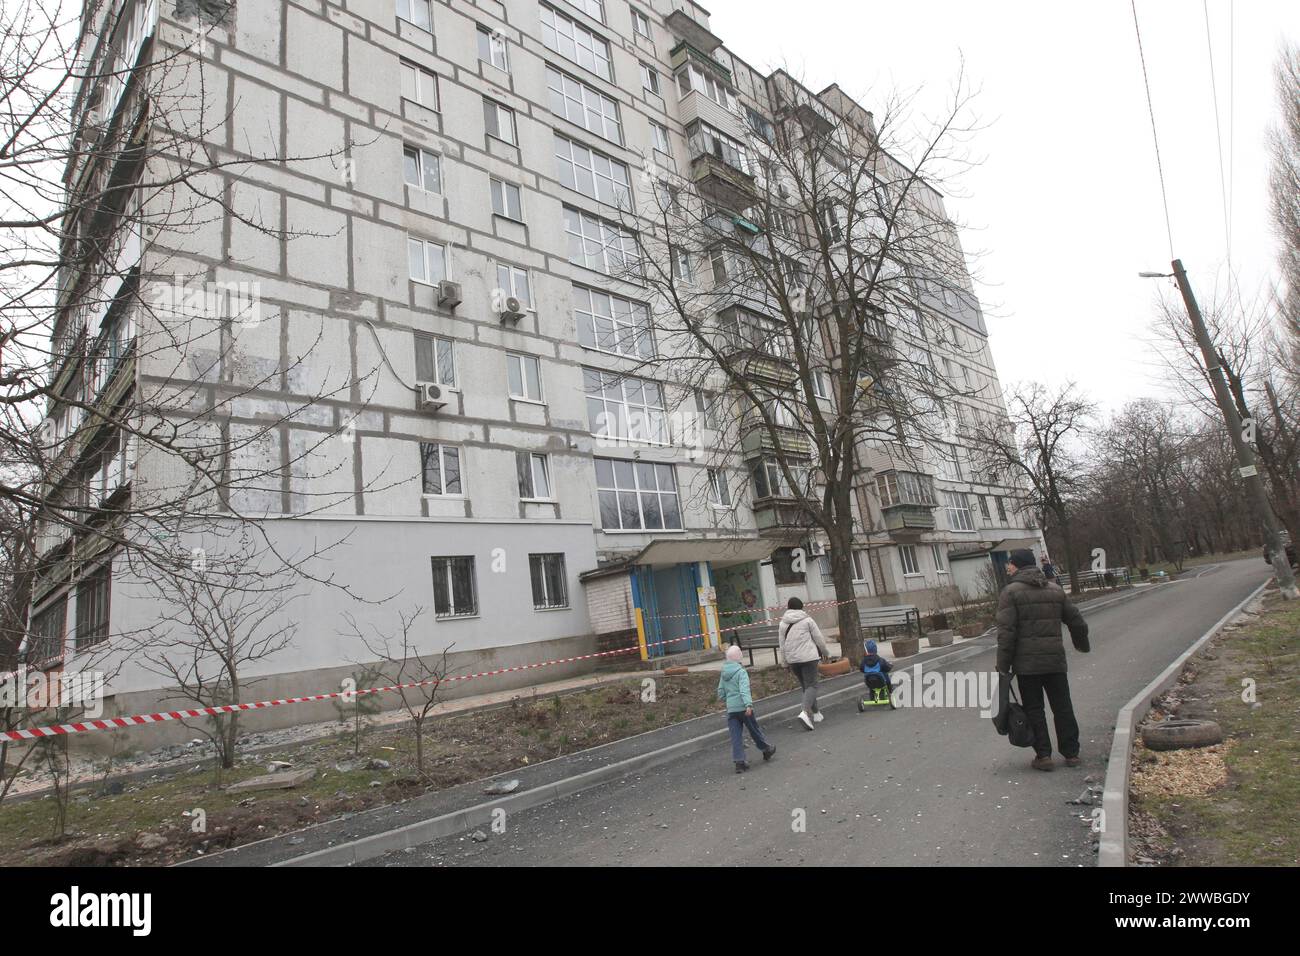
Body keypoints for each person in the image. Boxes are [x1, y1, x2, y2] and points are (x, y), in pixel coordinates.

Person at [996, 549, 1090, 771]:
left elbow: (1006, 633)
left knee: (1034, 709)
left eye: (1009, 563)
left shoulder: (1010, 593)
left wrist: (1003, 665)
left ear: (1018, 565)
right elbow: (1077, 621)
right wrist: (1082, 645)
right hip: (1055, 661)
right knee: (1063, 706)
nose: (1007, 567)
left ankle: (1044, 756)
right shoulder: (1055, 590)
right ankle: (1071, 753)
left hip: (1027, 666)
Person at [717, 644, 775, 773]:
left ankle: (739, 762)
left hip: (731, 710)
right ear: (739, 657)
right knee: (754, 729)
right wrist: (748, 704)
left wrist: (729, 701)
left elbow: (720, 692)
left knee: (735, 735)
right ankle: (766, 749)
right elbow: (744, 690)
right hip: (744, 708)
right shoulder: (741, 672)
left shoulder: (724, 673)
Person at [778, 597, 829, 730]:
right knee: (812, 685)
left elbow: (782, 645)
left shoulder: (783, 623)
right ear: (801, 607)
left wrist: (784, 663)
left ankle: (817, 714)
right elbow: (818, 638)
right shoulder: (807, 620)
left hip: (793, 660)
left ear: (788, 607)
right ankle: (805, 712)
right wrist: (826, 652)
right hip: (808, 658)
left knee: (807, 688)